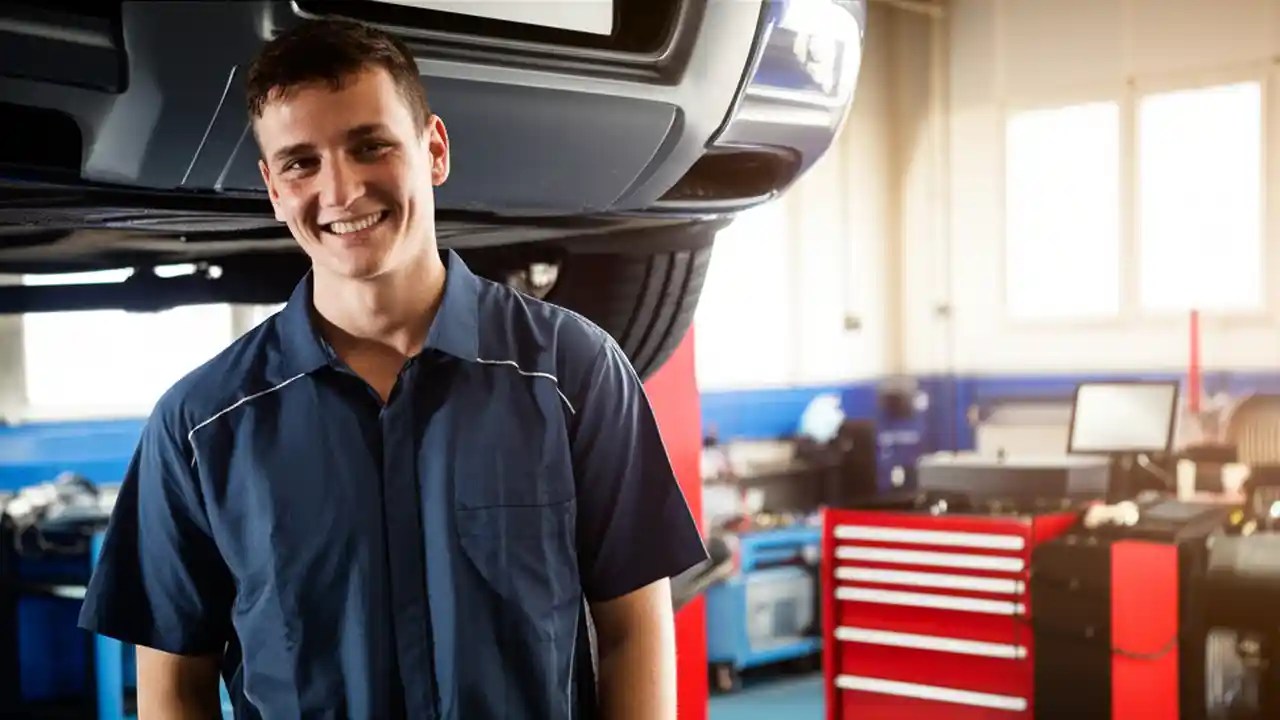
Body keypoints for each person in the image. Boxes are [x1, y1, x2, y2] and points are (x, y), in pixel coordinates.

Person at [78, 17, 707, 720]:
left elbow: (633, 632)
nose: (342, 190)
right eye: (301, 163)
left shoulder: (573, 374)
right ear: (273, 187)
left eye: (370, 146)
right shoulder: (201, 426)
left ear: (433, 150)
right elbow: (173, 685)